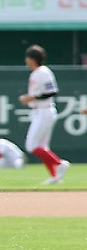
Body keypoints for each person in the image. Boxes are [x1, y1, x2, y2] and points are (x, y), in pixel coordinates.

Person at [20, 45, 71, 184]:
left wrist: (31, 97)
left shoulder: (43, 72)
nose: (26, 60)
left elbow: (52, 91)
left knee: (31, 145)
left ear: (32, 59)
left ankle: (60, 164)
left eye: (27, 57)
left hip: (44, 111)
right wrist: (31, 97)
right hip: (39, 111)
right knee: (42, 147)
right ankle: (55, 176)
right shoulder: (36, 73)